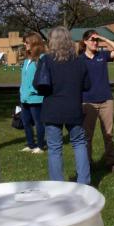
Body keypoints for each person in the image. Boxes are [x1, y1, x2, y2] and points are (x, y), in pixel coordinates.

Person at [37, 26, 91, 185]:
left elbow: (37, 84)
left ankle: (57, 186)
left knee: (54, 148)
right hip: (73, 109)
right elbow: (87, 85)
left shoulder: (46, 60)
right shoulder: (80, 62)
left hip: (52, 110)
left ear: (52, 41)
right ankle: (84, 183)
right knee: (79, 144)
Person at [79, 29, 114, 173]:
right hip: (87, 102)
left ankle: (111, 162)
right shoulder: (79, 60)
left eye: (96, 40)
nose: (95, 42)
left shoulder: (102, 55)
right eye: (92, 39)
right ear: (85, 41)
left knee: (108, 134)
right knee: (87, 136)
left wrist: (103, 38)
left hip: (106, 101)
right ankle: (88, 163)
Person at [19, 32, 46, 153]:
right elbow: (24, 79)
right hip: (24, 98)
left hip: (36, 98)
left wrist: (33, 91)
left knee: (38, 122)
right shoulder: (26, 61)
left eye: (27, 42)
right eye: (24, 42)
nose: (25, 44)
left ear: (34, 43)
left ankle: (40, 146)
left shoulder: (41, 59)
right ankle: (30, 144)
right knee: (25, 122)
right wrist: (22, 91)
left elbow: (43, 78)